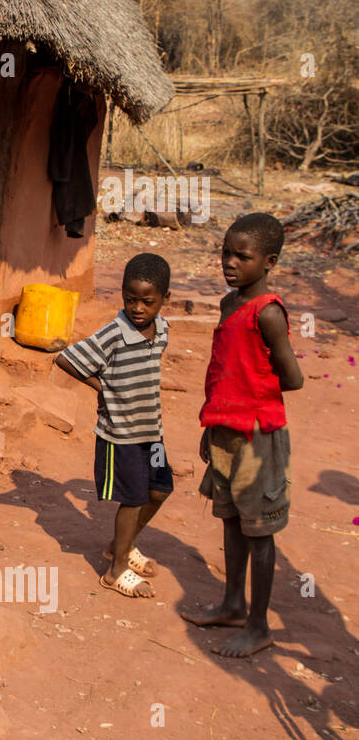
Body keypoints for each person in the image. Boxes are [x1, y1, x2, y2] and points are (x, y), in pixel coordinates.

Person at [181, 213, 303, 657]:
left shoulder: (267, 312)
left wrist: (251, 392)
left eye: (242, 256)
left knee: (259, 531)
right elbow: (220, 370)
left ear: (268, 261)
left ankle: (258, 624)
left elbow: (293, 378)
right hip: (224, 431)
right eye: (225, 252)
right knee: (230, 519)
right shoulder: (229, 304)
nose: (229, 262)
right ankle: (233, 604)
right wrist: (211, 420)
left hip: (256, 435)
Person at [56, 253, 173, 598]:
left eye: (147, 302)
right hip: (120, 435)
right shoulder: (114, 333)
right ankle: (116, 569)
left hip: (151, 432)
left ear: (164, 300)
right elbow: (67, 359)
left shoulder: (162, 330)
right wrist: (103, 388)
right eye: (130, 299)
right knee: (133, 499)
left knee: (159, 491)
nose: (138, 308)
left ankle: (121, 546)